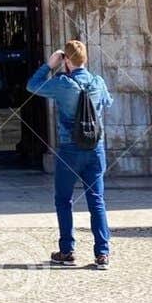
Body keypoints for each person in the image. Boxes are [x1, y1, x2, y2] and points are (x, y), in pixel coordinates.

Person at [27, 39, 114, 269]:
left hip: (70, 149)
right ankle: (102, 253)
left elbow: (32, 86)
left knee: (64, 200)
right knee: (97, 200)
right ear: (85, 59)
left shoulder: (62, 83)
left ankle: (67, 250)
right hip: (95, 148)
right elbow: (108, 102)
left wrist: (49, 65)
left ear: (66, 60)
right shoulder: (98, 81)